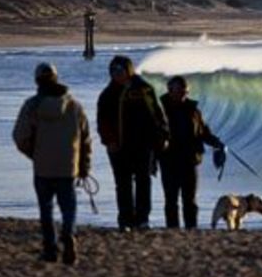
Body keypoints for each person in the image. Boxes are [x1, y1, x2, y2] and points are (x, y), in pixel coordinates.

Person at [13, 62, 92, 265]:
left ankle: (50, 249)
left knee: (45, 209)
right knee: (69, 207)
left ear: (37, 80)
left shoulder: (32, 105)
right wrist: (84, 165)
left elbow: (20, 137)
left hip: (43, 167)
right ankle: (68, 234)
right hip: (68, 167)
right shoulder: (74, 106)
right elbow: (85, 139)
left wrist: (35, 154)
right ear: (56, 78)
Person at [97, 55, 169, 231]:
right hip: (118, 147)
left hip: (143, 146)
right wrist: (109, 141)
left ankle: (142, 219)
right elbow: (102, 121)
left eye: (119, 71)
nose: (116, 74)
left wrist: (163, 136)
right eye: (113, 71)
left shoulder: (144, 89)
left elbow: (157, 115)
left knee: (143, 181)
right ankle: (125, 220)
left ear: (128, 71)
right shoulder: (108, 94)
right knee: (123, 184)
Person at [160, 75, 226, 229]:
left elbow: (203, 132)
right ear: (170, 90)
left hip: (189, 160)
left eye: (185, 91)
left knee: (190, 200)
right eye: (179, 90)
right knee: (171, 200)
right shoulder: (161, 109)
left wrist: (216, 142)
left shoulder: (193, 110)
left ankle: (191, 229)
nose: (183, 94)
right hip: (169, 160)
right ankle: (172, 230)